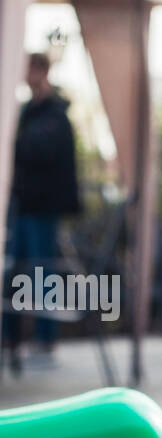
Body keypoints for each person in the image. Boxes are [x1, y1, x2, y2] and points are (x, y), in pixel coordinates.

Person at [4, 51, 80, 368]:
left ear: (41, 71)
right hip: (20, 205)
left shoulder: (54, 115)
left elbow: (41, 154)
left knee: (41, 273)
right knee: (12, 270)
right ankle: (10, 340)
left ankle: (45, 338)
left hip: (43, 207)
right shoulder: (25, 113)